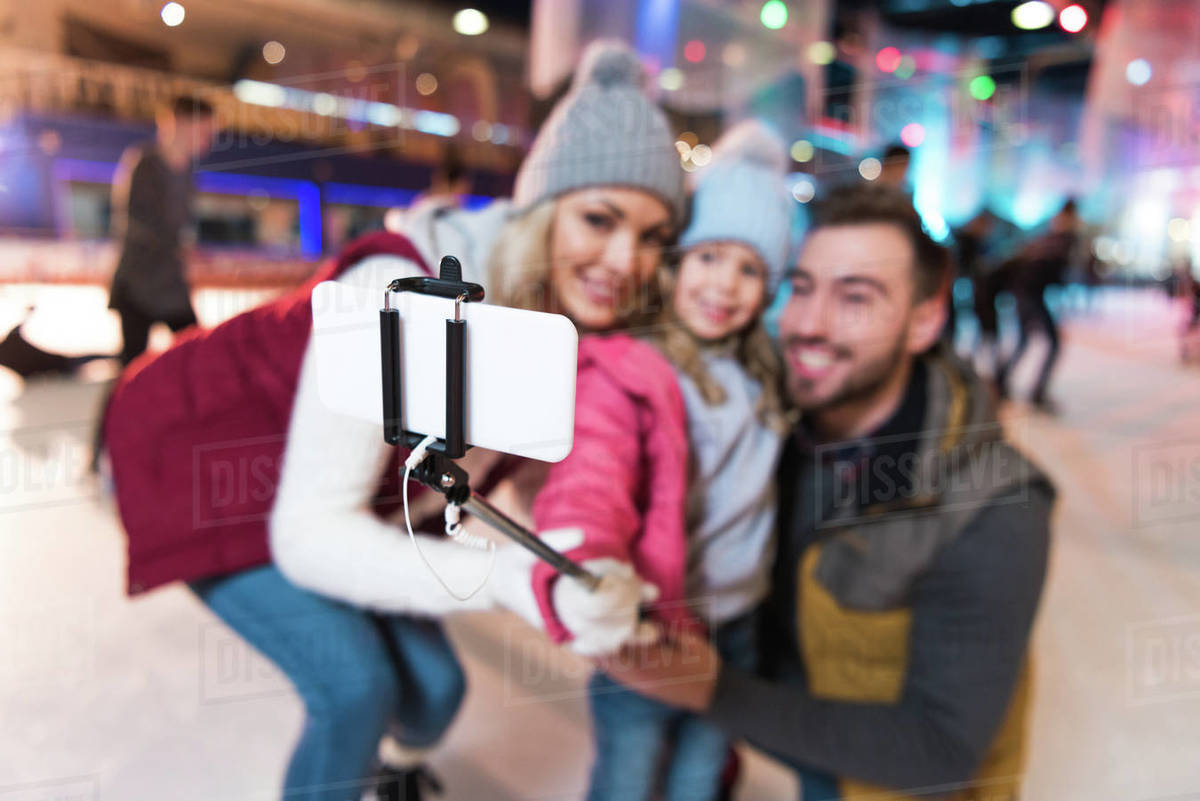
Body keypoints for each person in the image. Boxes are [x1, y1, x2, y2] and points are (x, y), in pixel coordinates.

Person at [102, 40, 685, 801]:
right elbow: (309, 534)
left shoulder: (559, 330)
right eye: (599, 218)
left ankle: (356, 766)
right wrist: (513, 578)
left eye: (651, 237)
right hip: (193, 461)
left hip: (330, 491)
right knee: (353, 688)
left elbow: (543, 488)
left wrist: (585, 562)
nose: (624, 260)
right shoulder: (406, 296)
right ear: (540, 208)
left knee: (434, 691)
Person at [595, 182, 1054, 801]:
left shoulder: (995, 507)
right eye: (802, 288)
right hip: (814, 763)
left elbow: (939, 751)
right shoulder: (773, 431)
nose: (807, 325)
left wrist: (714, 691)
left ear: (924, 321)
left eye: (855, 298)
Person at [523, 120, 793, 801]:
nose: (724, 284)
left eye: (750, 268)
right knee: (629, 773)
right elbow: (592, 470)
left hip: (736, 624)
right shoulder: (631, 369)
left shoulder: (765, 374)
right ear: (674, 262)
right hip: (649, 624)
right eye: (708, 257)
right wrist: (588, 552)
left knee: (700, 775)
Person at [108, 95, 215, 366]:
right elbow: (138, 222)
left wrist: (188, 246)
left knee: (197, 354)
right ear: (177, 123)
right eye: (203, 129)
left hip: (171, 284)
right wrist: (178, 245)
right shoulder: (144, 163)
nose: (208, 138)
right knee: (130, 370)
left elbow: (182, 225)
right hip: (138, 283)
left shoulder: (188, 172)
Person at [996, 198, 1079, 410]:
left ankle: (1003, 381)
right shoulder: (1059, 240)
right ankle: (1034, 391)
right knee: (1051, 344)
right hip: (1029, 296)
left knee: (1025, 341)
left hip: (1026, 295)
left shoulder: (1046, 237)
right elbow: (1054, 274)